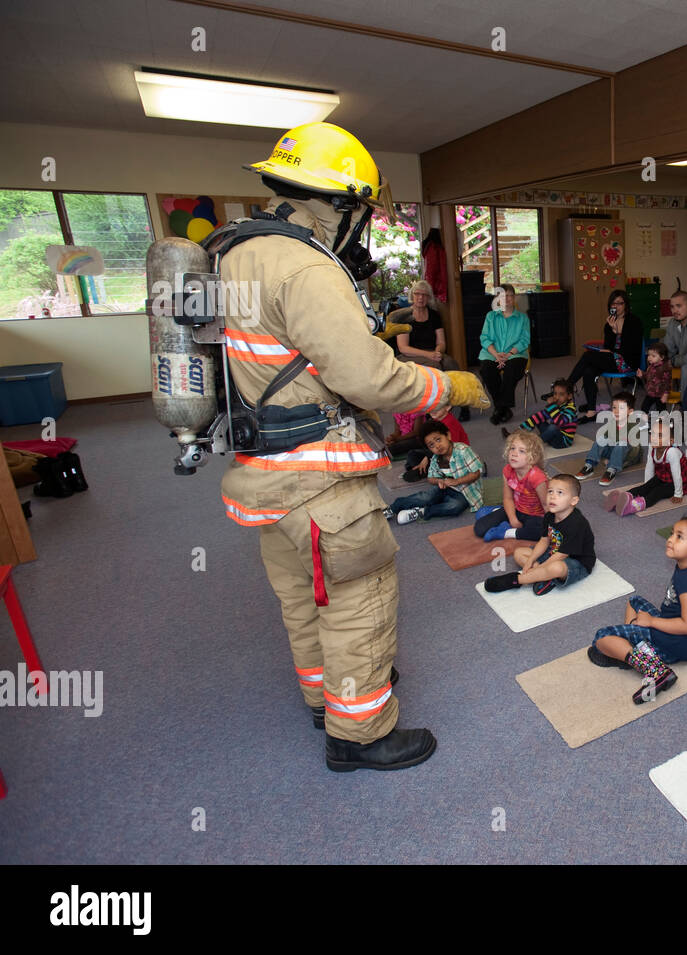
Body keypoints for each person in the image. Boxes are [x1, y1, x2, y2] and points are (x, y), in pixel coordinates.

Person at [218, 121, 489, 772]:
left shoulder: (234, 251)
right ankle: (362, 735)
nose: (362, 227)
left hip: (264, 476)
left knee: (303, 596)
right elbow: (367, 375)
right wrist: (445, 385)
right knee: (359, 602)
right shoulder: (306, 268)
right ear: (338, 203)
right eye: (362, 213)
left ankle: (324, 699)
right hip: (322, 486)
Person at [589, 517, 687, 703]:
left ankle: (656, 670)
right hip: (671, 633)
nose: (670, 539)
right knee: (633, 601)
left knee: (602, 638)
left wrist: (651, 622)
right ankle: (636, 649)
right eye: (672, 534)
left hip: (671, 644)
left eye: (679, 537)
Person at [484, 474, 596, 596]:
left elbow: (561, 555)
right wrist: (530, 561)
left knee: (556, 568)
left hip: (576, 561)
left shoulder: (576, 523)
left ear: (573, 501)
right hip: (553, 551)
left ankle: (516, 580)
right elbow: (544, 541)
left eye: (560, 493)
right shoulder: (549, 515)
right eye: (550, 491)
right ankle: (544, 577)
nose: (553, 496)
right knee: (519, 553)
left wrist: (535, 570)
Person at [387, 419, 483, 524]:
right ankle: (392, 509)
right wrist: (439, 481)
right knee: (425, 497)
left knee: (455, 506)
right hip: (445, 488)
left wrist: (457, 481)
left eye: (438, 439)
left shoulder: (463, 450)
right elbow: (430, 478)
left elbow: (476, 473)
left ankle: (422, 512)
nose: (437, 446)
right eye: (432, 445)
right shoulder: (435, 458)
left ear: (448, 435)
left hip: (464, 492)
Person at [567, 289, 644, 420]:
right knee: (589, 370)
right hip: (613, 360)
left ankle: (567, 386)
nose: (616, 306)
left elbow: (631, 349)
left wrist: (617, 332)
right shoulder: (608, 324)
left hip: (628, 362)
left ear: (626, 304)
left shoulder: (634, 322)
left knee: (588, 356)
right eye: (613, 304)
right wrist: (612, 331)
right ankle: (591, 411)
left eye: (619, 303)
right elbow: (609, 347)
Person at [606, 416, 687, 516]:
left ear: (671, 441)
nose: (654, 438)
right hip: (663, 476)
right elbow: (649, 466)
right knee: (646, 487)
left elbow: (677, 475)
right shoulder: (652, 446)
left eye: (660, 436)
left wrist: (678, 494)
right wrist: (648, 485)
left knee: (657, 492)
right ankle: (622, 497)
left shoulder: (672, 452)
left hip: (679, 482)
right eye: (653, 434)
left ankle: (634, 506)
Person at [474, 429, 549, 542]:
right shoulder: (507, 470)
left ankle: (506, 532)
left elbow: (546, 505)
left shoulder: (537, 477)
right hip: (516, 509)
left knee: (542, 533)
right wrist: (512, 518)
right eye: (512, 448)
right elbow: (507, 498)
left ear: (533, 457)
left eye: (522, 451)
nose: (514, 453)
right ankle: (505, 521)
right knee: (479, 528)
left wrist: (553, 526)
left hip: (535, 515)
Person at [479, 284, 530, 425]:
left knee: (511, 370)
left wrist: (507, 355)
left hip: (515, 354)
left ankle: (500, 409)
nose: (506, 298)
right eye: (502, 295)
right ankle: (503, 408)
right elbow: (484, 338)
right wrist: (496, 355)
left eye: (509, 295)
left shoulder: (522, 318)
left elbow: (524, 341)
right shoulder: (490, 316)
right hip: (491, 353)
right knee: (487, 369)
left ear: (514, 298)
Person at [389, 280, 459, 371]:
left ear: (429, 297)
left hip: (432, 352)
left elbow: (441, 342)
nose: (421, 297)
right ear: (412, 296)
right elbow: (403, 348)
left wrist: (437, 352)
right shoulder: (404, 316)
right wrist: (428, 355)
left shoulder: (434, 315)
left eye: (424, 295)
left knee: (450, 363)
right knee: (434, 366)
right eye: (417, 294)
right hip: (409, 355)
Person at [579, 391, 645, 486]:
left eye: (621, 408)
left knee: (621, 443)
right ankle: (589, 464)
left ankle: (612, 469)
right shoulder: (613, 422)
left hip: (628, 456)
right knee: (601, 439)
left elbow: (634, 451)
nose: (616, 411)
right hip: (614, 450)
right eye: (614, 407)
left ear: (630, 412)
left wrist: (620, 462)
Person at [512, 378, 578, 449]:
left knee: (553, 427)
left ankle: (534, 444)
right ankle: (520, 434)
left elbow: (559, 422)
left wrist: (552, 405)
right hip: (553, 437)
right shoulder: (556, 405)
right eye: (555, 393)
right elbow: (540, 416)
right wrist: (520, 429)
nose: (557, 397)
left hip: (562, 441)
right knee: (538, 417)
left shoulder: (571, 409)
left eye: (561, 394)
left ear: (569, 396)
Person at [640, 341, 672, 413]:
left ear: (662, 357)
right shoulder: (652, 365)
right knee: (644, 407)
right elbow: (648, 376)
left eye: (653, 356)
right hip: (651, 392)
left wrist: (665, 394)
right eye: (649, 355)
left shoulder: (664, 369)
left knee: (661, 410)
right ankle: (644, 422)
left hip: (660, 394)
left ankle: (666, 422)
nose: (649, 358)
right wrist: (642, 374)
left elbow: (667, 383)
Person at [420, 228, 447, 305]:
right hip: (435, 280)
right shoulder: (434, 248)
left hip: (429, 278)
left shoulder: (428, 246)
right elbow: (434, 269)